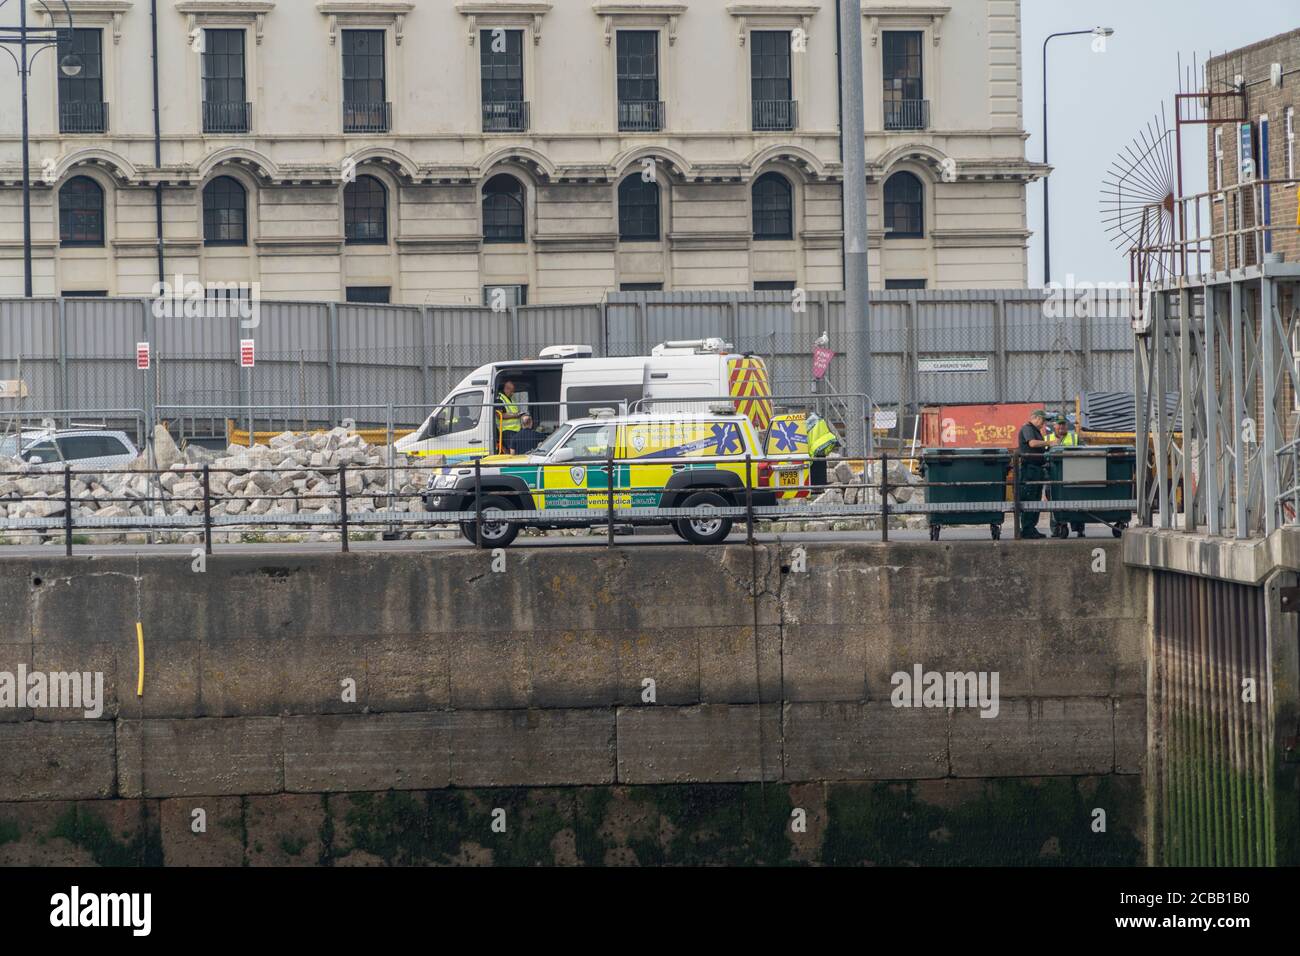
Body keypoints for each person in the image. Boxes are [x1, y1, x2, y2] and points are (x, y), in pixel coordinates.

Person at [1044, 415, 1085, 536]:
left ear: (1067, 426)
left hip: (1073, 475)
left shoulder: (1075, 437)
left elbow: (1085, 451)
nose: (1061, 427)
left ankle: (1079, 529)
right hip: (1053, 476)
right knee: (1054, 502)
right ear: (1054, 426)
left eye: (1063, 424)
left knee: (1077, 502)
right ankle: (1057, 529)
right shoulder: (1046, 438)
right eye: (1059, 424)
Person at [1016, 409, 1049, 538]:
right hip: (1029, 469)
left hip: (1036, 469)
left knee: (1035, 498)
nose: (1043, 423)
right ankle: (1026, 528)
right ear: (1035, 418)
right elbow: (1032, 443)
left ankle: (1031, 527)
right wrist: (1048, 442)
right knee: (1029, 497)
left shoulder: (1036, 431)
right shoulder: (1028, 428)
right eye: (1042, 420)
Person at [496, 380, 525, 453]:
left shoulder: (511, 398)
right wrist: (516, 415)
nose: (512, 393)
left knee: (518, 450)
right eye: (511, 391)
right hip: (506, 431)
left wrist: (519, 414)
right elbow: (500, 415)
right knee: (513, 451)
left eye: (513, 391)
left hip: (516, 430)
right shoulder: (499, 399)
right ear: (506, 389)